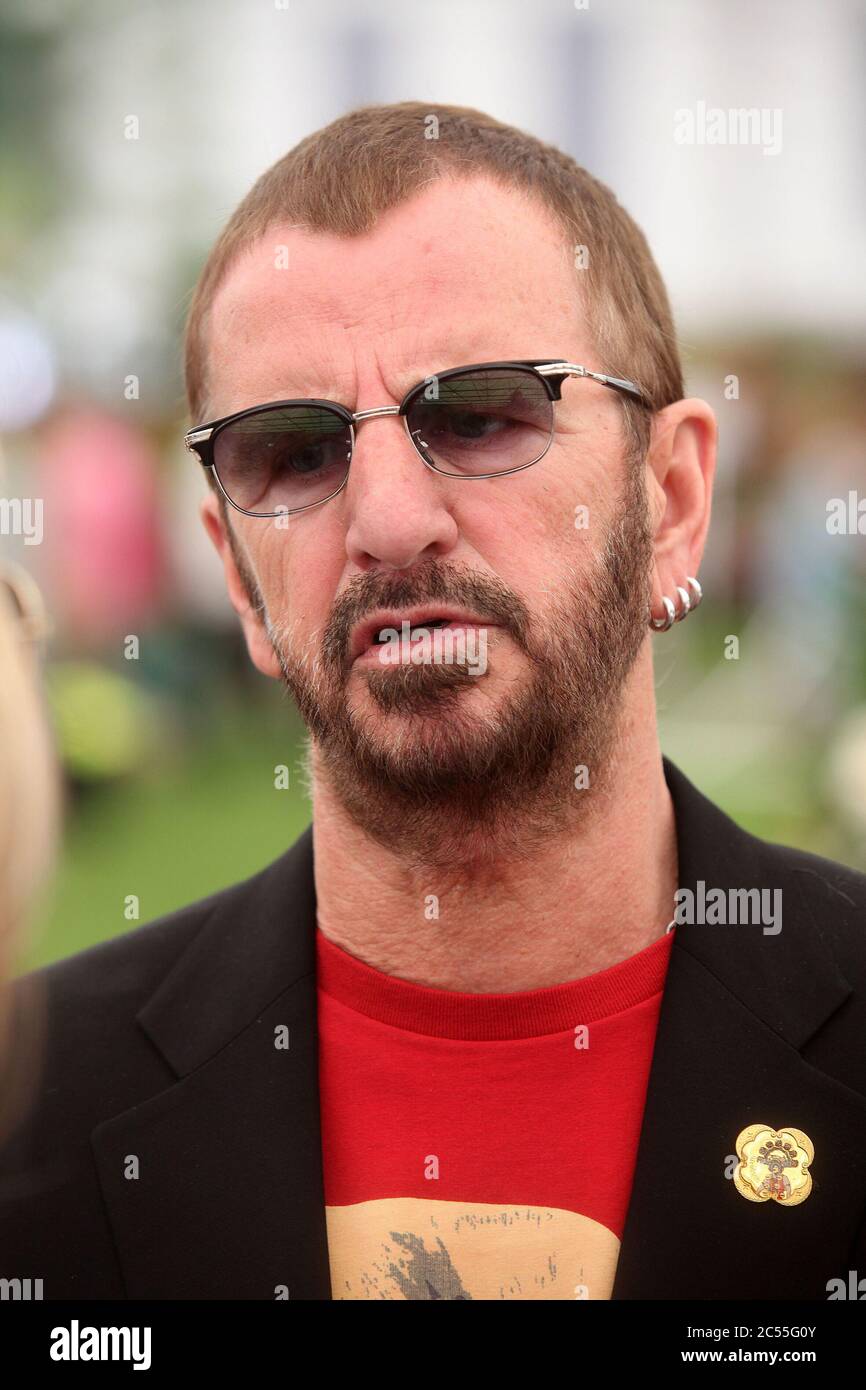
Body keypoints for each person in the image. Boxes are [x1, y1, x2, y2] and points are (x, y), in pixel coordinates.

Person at [2, 102, 865, 1302]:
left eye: (479, 417)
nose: (388, 521)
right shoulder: (27, 1116)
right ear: (238, 578)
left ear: (668, 499)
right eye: (292, 454)